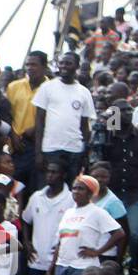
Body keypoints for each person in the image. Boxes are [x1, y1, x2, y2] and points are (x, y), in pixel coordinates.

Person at [31, 52, 95, 182]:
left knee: (71, 189)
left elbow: (84, 125)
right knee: (48, 186)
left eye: (68, 63)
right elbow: (39, 121)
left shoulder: (84, 92)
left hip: (74, 149)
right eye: (62, 63)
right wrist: (38, 152)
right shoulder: (47, 87)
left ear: (76, 66)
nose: (64, 66)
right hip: (50, 148)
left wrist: (85, 151)